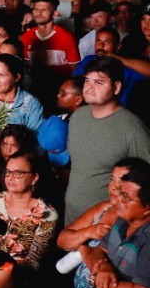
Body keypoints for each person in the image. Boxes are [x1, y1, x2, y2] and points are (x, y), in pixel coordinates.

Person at [64, 55, 150, 224]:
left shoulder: (132, 128)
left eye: (99, 82)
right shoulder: (77, 117)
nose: (89, 87)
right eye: (87, 80)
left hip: (106, 225)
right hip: (72, 218)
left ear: (117, 87)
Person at [56, 157, 150, 288]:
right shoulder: (104, 209)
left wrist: (83, 249)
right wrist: (88, 233)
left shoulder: (133, 222)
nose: (114, 187)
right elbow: (62, 240)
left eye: (121, 182)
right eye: (112, 179)